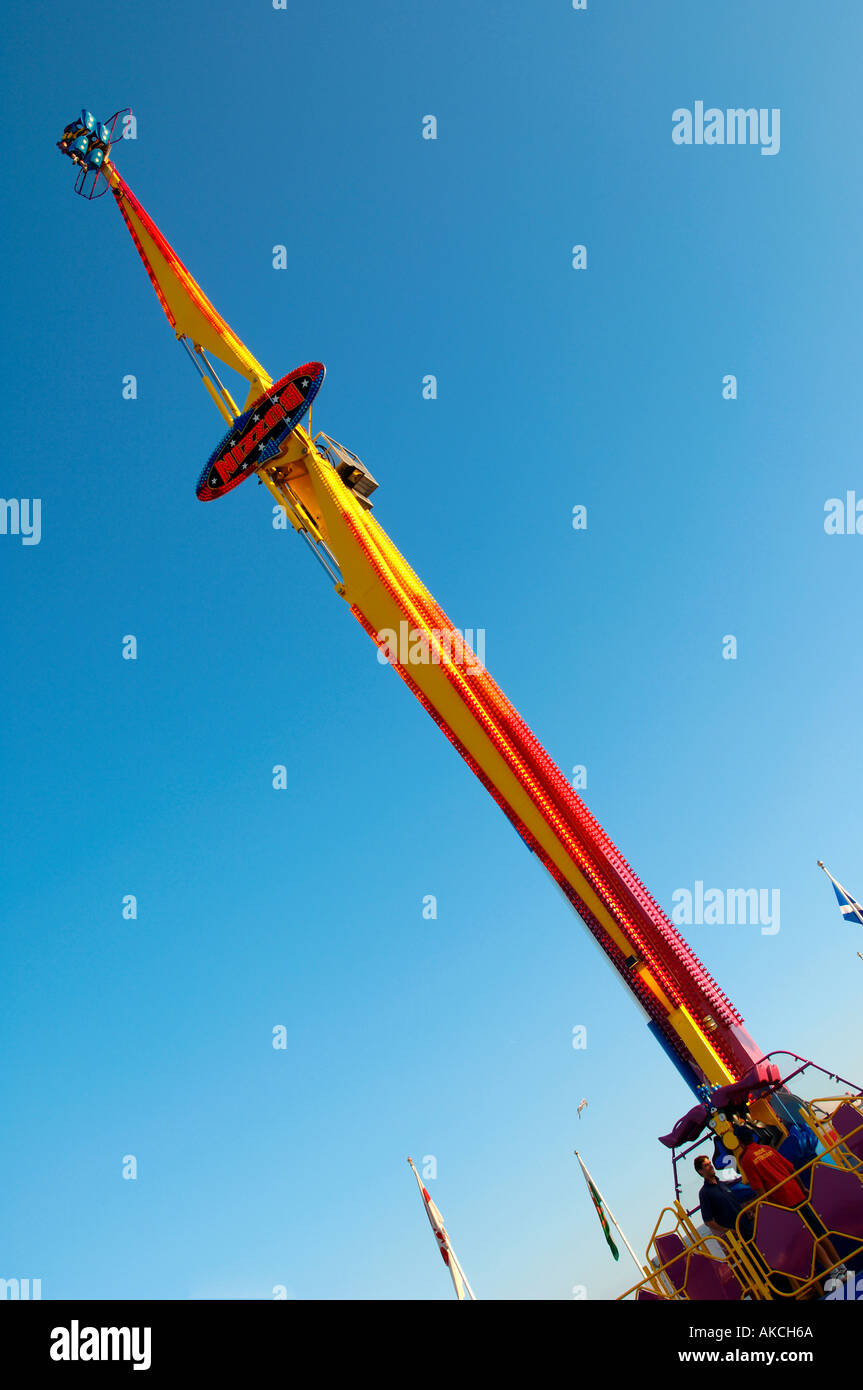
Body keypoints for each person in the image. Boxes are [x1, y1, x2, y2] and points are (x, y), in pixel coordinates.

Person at [733, 1124, 847, 1280]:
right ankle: (842, 1267)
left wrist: (769, 1212)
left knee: (808, 1239)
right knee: (820, 1233)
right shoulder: (768, 1149)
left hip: (784, 1203)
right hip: (797, 1193)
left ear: (739, 1141)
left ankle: (835, 1273)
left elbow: (760, 1190)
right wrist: (803, 1188)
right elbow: (791, 1169)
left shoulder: (746, 1159)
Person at [694, 1154, 756, 1241]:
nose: (711, 1166)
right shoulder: (704, 1193)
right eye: (706, 1165)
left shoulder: (723, 1184)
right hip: (737, 1235)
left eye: (710, 1163)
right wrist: (728, 1231)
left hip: (748, 1226)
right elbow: (708, 1221)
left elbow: (734, 1204)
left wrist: (747, 1212)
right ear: (700, 1171)